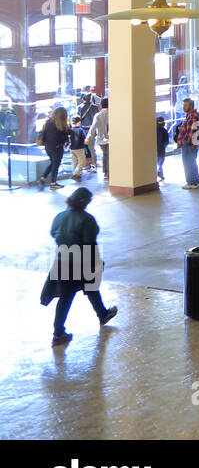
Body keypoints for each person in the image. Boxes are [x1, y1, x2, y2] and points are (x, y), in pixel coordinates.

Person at [42, 186, 117, 347]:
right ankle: (58, 333)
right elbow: (90, 244)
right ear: (85, 203)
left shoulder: (59, 216)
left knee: (80, 291)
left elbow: (53, 233)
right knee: (77, 292)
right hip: (79, 261)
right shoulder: (87, 219)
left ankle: (103, 314)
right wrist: (97, 263)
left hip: (61, 261)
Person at [35, 107, 71, 191]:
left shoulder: (48, 122)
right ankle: (53, 184)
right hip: (57, 147)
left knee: (53, 163)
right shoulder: (61, 124)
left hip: (47, 147)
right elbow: (67, 134)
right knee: (56, 165)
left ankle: (42, 179)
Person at [175, 98, 199, 190]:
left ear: (191, 106)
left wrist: (185, 140)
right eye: (183, 105)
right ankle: (195, 181)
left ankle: (191, 182)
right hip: (192, 143)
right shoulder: (191, 115)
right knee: (192, 162)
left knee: (188, 163)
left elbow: (193, 130)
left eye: (185, 105)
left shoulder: (192, 116)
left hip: (189, 143)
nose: (183, 107)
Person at [87, 98, 109, 179]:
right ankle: (108, 173)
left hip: (100, 140)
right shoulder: (113, 114)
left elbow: (92, 128)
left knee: (105, 155)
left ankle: (105, 172)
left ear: (101, 105)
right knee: (109, 155)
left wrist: (88, 138)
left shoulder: (98, 115)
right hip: (111, 140)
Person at [155, 115, 169, 181]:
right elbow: (166, 141)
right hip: (162, 150)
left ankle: (159, 173)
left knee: (157, 163)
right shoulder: (164, 130)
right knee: (160, 164)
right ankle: (160, 173)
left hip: (155, 151)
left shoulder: (153, 131)